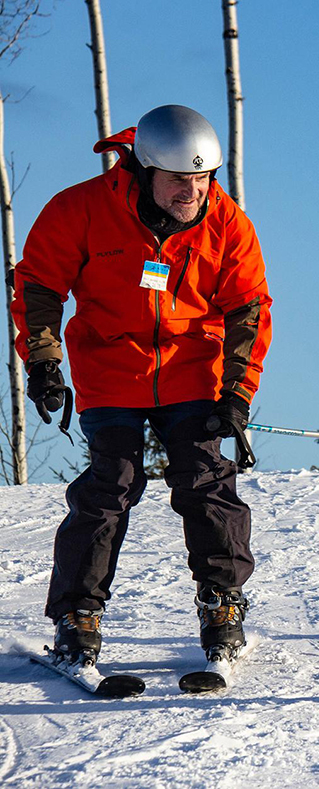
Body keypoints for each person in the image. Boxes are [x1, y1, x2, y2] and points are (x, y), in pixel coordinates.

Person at [12, 104, 272, 668]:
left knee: (205, 480)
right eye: (179, 179)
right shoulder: (80, 209)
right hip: (110, 370)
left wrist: (236, 394)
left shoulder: (226, 222)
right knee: (111, 485)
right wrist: (44, 361)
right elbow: (38, 286)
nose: (192, 191)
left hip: (192, 369)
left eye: (202, 178)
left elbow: (248, 309)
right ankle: (76, 615)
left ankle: (223, 601)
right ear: (141, 168)